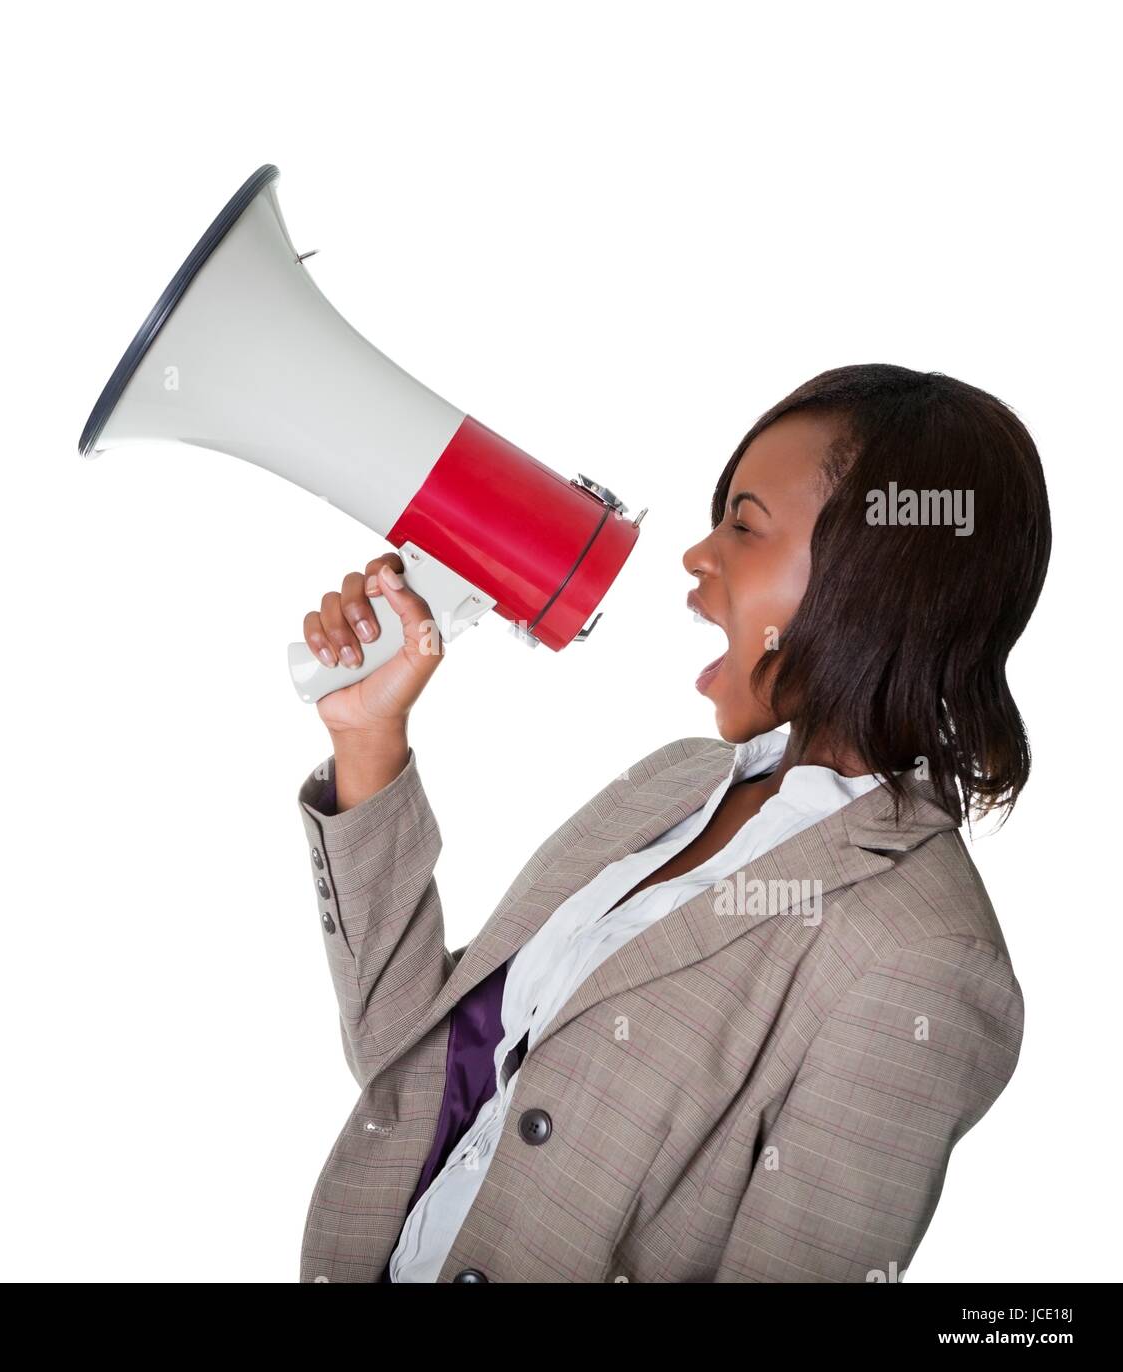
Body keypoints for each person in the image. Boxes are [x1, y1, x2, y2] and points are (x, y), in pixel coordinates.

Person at [292, 363, 1051, 1283]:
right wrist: (370, 739)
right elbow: (401, 1055)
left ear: (881, 576)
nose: (698, 553)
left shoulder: (925, 954)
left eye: (743, 523)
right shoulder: (674, 785)